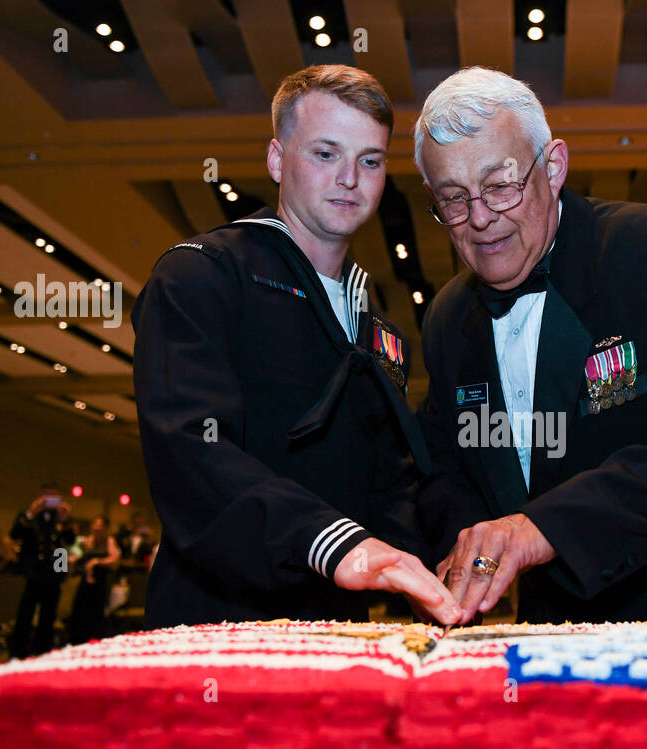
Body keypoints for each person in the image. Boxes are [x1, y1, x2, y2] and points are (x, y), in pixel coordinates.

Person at [413, 67, 647, 625]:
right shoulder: (447, 317)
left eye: (500, 185)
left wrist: (547, 528)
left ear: (554, 166)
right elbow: (446, 469)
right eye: (453, 198)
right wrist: (471, 555)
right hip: (546, 641)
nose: (479, 219)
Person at [132, 64, 459, 629]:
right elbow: (190, 455)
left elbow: (388, 480)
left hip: (337, 624)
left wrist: (445, 566)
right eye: (325, 154)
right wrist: (333, 542)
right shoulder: (202, 276)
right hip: (216, 622)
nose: (350, 179)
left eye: (370, 160)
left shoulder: (376, 324)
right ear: (277, 159)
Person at [8, 482, 76, 658]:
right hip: (32, 573)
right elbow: (15, 534)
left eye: (53, 497)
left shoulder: (60, 518)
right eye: (46, 496)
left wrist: (65, 520)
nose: (49, 501)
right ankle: (19, 650)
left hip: (53, 573)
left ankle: (42, 650)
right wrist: (31, 513)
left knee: (48, 615)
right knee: (26, 612)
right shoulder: (29, 515)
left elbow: (67, 544)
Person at [68, 515, 121, 644]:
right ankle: (77, 641)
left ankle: (94, 640)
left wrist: (97, 561)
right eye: (94, 525)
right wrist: (68, 561)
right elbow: (74, 555)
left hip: (100, 582)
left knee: (96, 614)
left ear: (105, 528)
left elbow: (115, 559)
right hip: (85, 581)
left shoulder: (109, 541)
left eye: (99, 525)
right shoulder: (87, 540)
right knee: (79, 611)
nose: (96, 528)